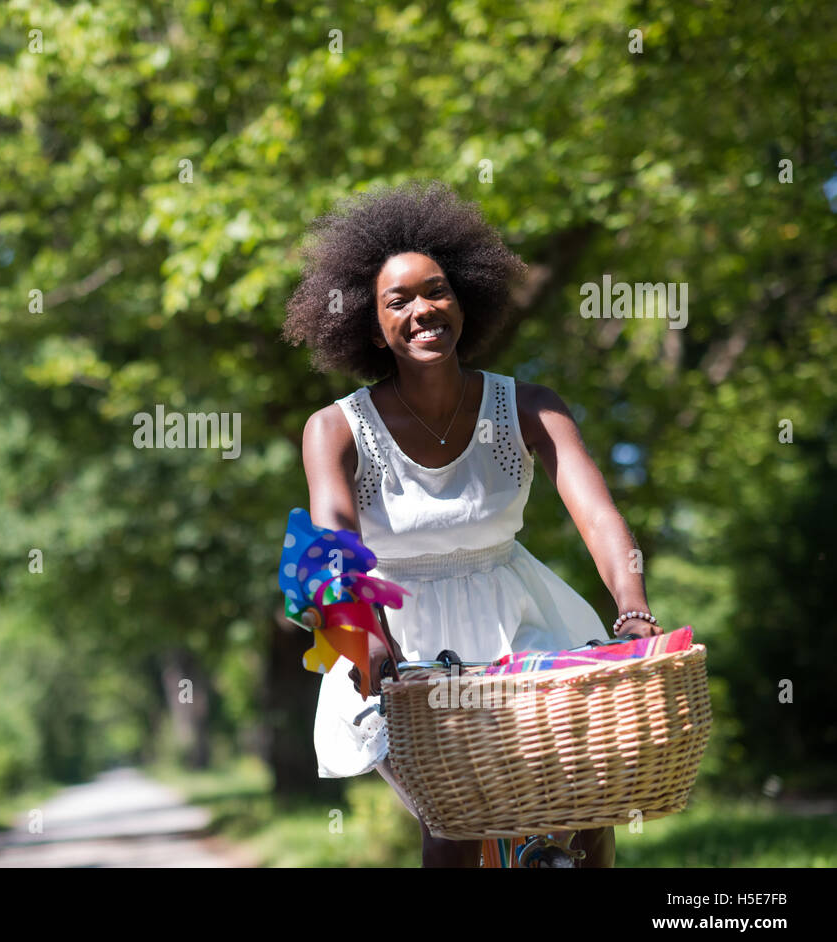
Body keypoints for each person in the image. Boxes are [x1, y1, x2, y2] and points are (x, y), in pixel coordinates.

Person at [282, 181, 662, 867]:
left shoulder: (530, 407)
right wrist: (365, 638)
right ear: (373, 327)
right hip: (400, 638)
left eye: (437, 291)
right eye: (399, 300)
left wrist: (632, 608)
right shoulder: (335, 428)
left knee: (586, 804)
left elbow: (598, 513)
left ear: (463, 300)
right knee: (452, 826)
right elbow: (334, 538)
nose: (423, 309)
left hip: (523, 621)